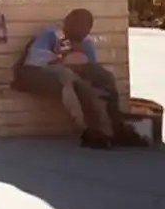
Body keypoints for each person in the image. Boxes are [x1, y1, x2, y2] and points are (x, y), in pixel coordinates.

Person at [13, 8, 144, 149]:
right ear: (67, 24)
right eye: (79, 27)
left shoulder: (85, 42)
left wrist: (82, 60)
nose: (83, 32)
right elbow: (35, 61)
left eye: (86, 29)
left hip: (71, 75)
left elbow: (90, 65)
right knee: (71, 79)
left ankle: (116, 126)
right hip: (35, 75)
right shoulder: (50, 35)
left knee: (104, 77)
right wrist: (62, 57)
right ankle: (87, 129)